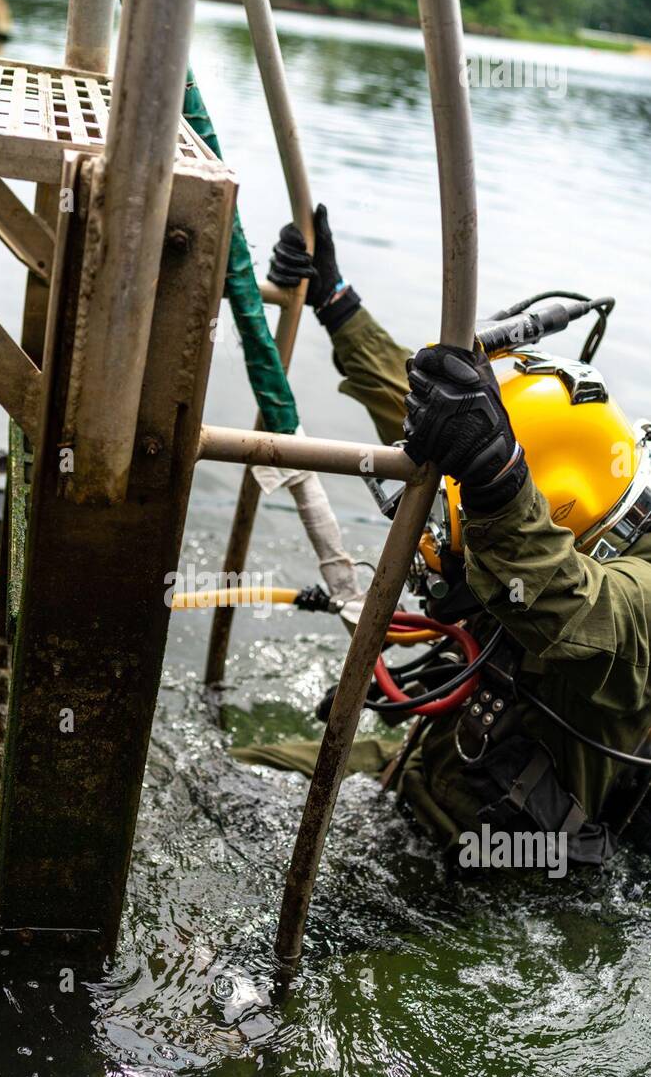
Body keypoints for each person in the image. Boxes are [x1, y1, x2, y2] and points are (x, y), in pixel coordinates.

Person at [232, 207, 651, 868]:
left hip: (484, 864)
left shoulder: (635, 595)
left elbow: (570, 607)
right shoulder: (590, 501)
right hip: (424, 765)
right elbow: (436, 432)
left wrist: (495, 482)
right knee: (227, 776)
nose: (438, 545)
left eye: (467, 525)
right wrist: (338, 305)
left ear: (555, 512)